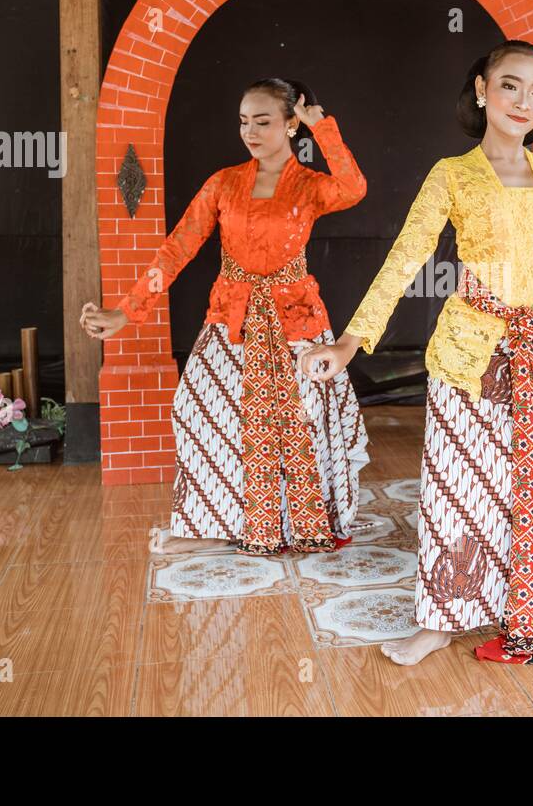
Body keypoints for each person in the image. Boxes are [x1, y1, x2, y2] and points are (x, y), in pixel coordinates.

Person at [297, 41, 533, 665]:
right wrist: (349, 341)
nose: (524, 102)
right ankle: (441, 622)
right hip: (471, 353)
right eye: (510, 85)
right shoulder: (453, 174)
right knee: (461, 489)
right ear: (481, 89)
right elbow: (404, 259)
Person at [80, 78, 369, 556]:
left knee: (304, 418)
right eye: (243, 121)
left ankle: (295, 522)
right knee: (196, 409)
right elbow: (178, 247)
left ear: (291, 124)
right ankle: (209, 526)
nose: (250, 131)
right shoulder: (224, 182)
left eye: (263, 121)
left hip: (294, 318)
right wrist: (125, 312)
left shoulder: (311, 186)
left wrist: (325, 130)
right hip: (231, 313)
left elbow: (353, 188)